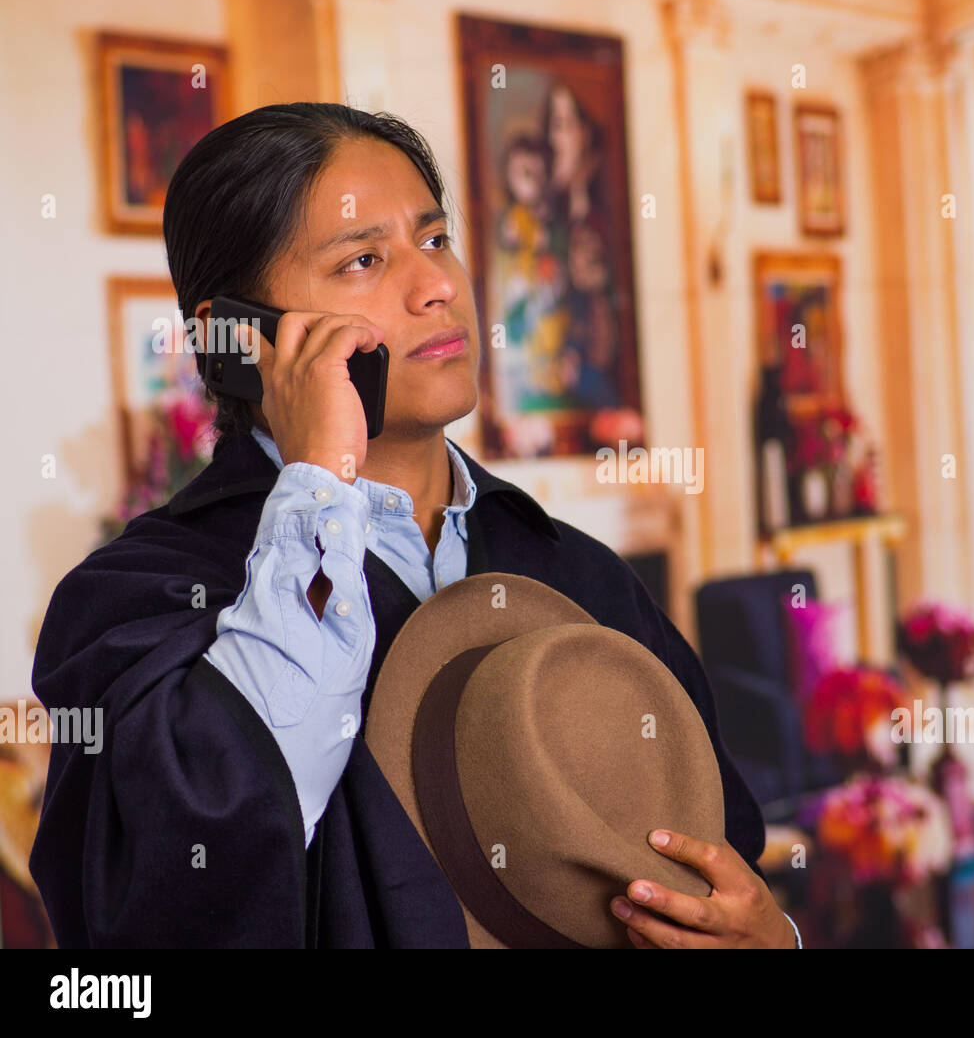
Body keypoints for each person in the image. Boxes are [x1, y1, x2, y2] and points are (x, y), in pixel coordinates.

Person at [30, 102, 800, 949]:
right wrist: (319, 478)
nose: (437, 285)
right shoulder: (138, 597)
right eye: (364, 258)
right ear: (237, 339)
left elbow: (719, 861)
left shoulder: (584, 575)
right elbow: (158, 897)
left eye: (435, 240)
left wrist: (774, 938)